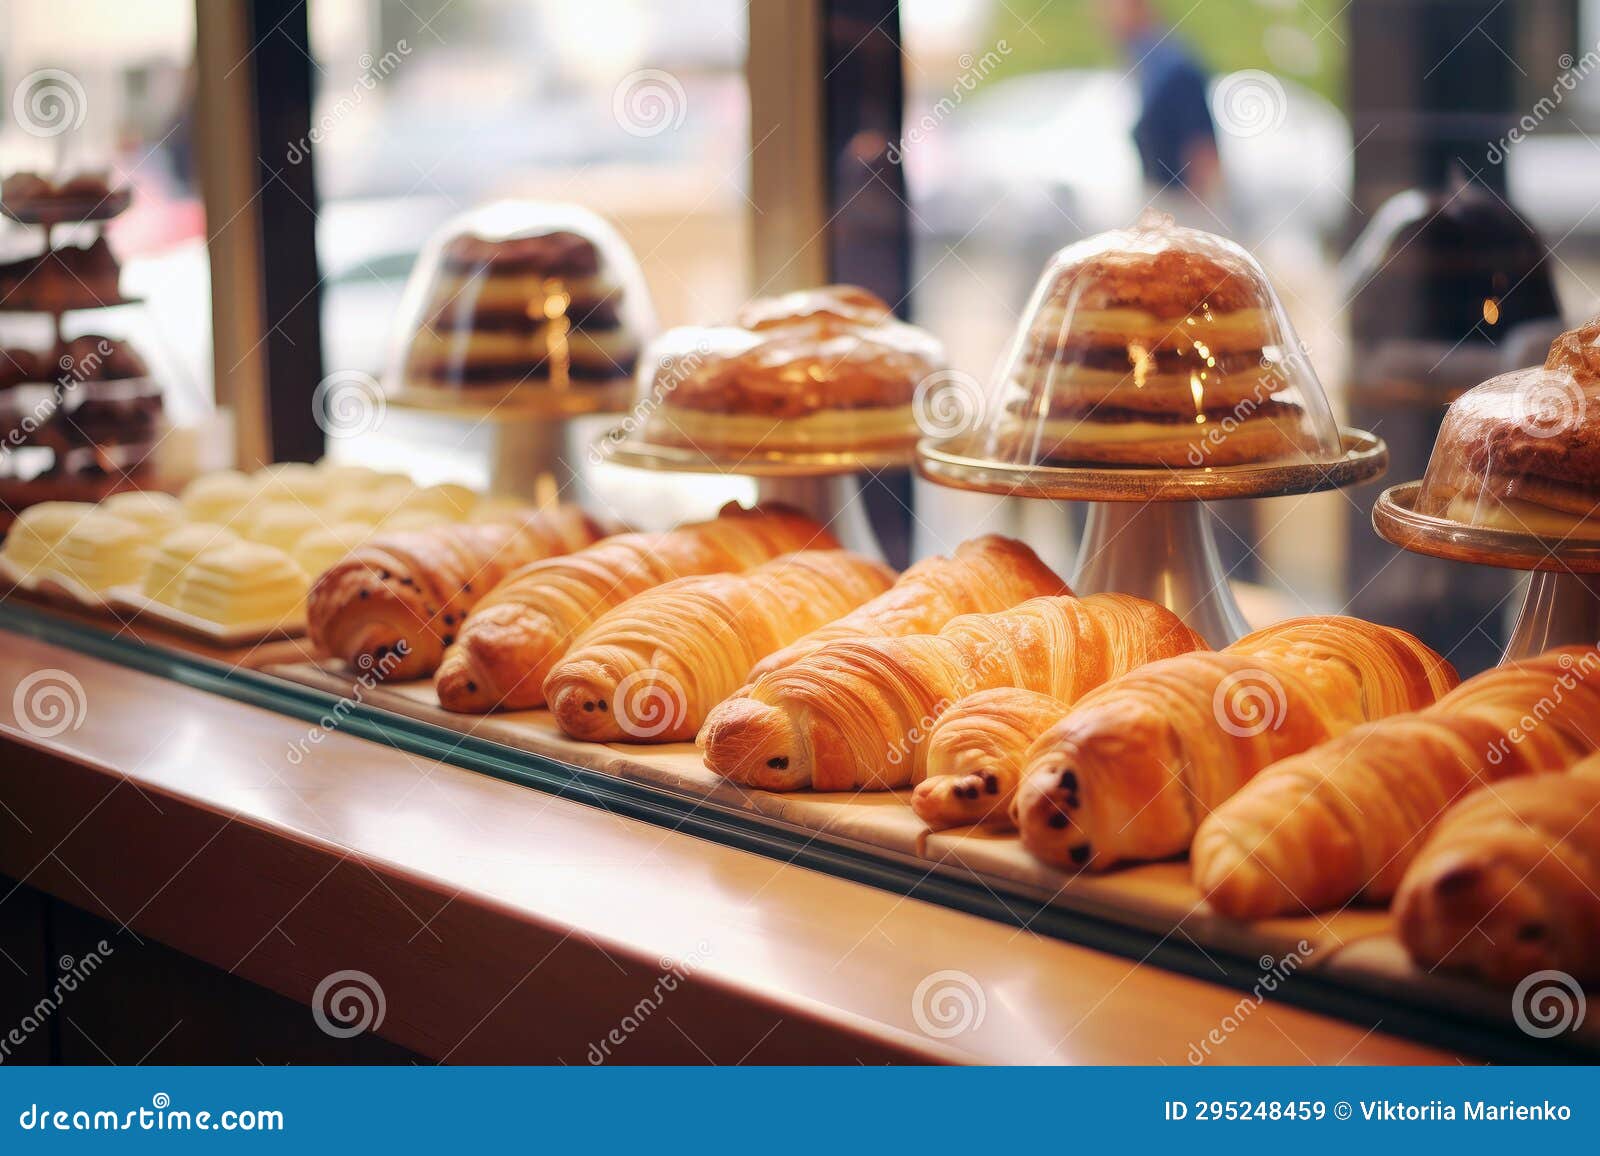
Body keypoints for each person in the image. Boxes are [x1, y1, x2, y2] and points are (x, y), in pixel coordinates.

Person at [1100, 0, 1222, 211]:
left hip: (1183, 205)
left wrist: (1200, 214)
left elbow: (1203, 148)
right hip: (1158, 200)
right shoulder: (1141, 60)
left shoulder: (1171, 66)